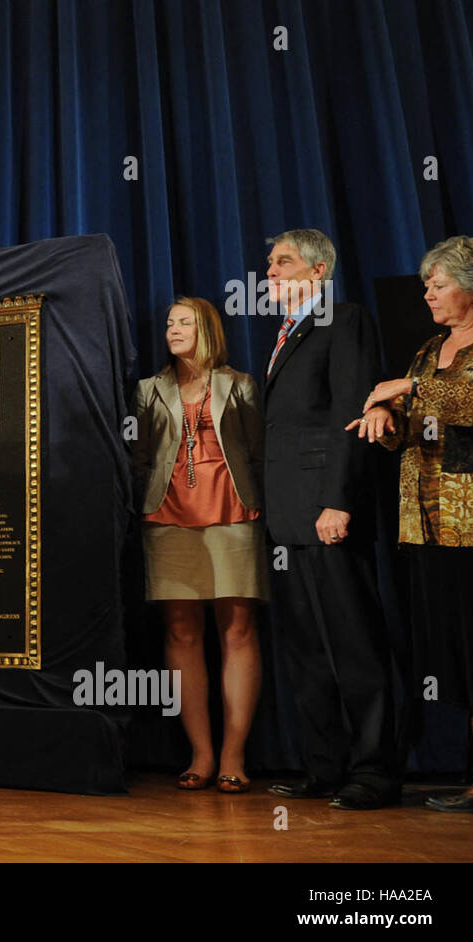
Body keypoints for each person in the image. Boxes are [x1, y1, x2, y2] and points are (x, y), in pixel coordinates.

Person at [260, 228, 399, 810]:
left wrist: (337, 501)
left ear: (317, 272)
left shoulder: (346, 321)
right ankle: (324, 767)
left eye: (282, 262)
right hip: (286, 519)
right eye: (268, 264)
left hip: (327, 511)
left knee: (354, 646)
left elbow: (349, 415)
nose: (269, 272)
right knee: (307, 650)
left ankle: (375, 773)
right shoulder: (283, 334)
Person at [348, 235, 473, 813]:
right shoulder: (429, 348)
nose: (428, 294)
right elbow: (407, 420)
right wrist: (383, 413)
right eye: (426, 285)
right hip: (429, 524)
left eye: (439, 284)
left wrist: (409, 388)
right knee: (458, 653)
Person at [132, 297, 266, 793]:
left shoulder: (241, 384)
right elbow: (139, 458)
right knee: (181, 632)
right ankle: (201, 754)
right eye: (168, 323)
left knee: (237, 629)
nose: (173, 329)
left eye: (184, 322)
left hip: (234, 512)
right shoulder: (149, 389)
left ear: (207, 328)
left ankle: (234, 755)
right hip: (167, 516)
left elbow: (257, 453)